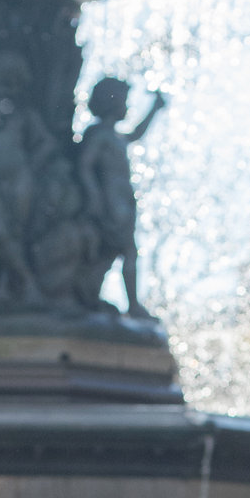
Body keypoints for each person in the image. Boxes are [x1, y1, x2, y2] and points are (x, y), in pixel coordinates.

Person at [78, 77, 167, 319]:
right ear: (112, 104)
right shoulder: (99, 135)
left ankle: (92, 296)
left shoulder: (114, 135)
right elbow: (85, 165)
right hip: (110, 201)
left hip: (123, 200)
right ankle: (132, 305)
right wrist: (94, 197)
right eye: (124, 102)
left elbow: (136, 134)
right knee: (125, 250)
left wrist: (155, 109)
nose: (127, 107)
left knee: (113, 253)